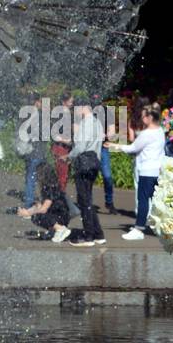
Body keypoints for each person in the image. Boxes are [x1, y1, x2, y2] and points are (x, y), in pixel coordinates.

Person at [107, 103, 165, 240]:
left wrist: (114, 146)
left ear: (149, 117)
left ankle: (139, 228)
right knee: (157, 201)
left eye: (144, 116)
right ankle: (160, 227)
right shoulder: (160, 131)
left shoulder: (146, 134)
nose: (142, 118)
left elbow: (133, 148)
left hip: (146, 171)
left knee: (143, 200)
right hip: (158, 170)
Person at [69, 100, 106, 246]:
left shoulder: (86, 123)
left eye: (76, 108)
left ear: (83, 108)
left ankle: (89, 236)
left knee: (84, 201)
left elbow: (80, 146)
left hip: (83, 164)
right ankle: (98, 234)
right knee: (88, 200)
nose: (75, 112)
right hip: (94, 163)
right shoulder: (97, 122)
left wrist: (69, 156)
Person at [18, 163, 71, 242]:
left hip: (61, 216)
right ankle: (54, 230)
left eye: (38, 174)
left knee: (37, 216)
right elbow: (39, 206)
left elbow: (43, 209)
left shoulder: (50, 188)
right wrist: (27, 211)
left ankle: (60, 229)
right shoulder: (49, 186)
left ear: (44, 175)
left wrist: (28, 213)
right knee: (36, 215)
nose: (37, 176)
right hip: (59, 215)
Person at [15, 92, 45, 208]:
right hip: (36, 151)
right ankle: (30, 205)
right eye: (41, 101)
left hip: (27, 151)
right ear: (37, 102)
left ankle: (30, 202)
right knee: (35, 179)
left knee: (29, 178)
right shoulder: (37, 115)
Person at [94, 95, 118, 214]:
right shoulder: (87, 111)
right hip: (90, 148)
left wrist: (108, 135)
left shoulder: (107, 112)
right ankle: (85, 202)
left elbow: (112, 132)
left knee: (107, 176)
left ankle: (109, 202)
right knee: (87, 176)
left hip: (103, 148)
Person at [50, 92, 74, 192]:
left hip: (66, 148)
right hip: (60, 148)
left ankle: (59, 195)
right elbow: (54, 134)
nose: (72, 103)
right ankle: (59, 197)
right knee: (62, 174)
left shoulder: (69, 114)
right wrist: (65, 140)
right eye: (71, 102)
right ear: (64, 102)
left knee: (64, 174)